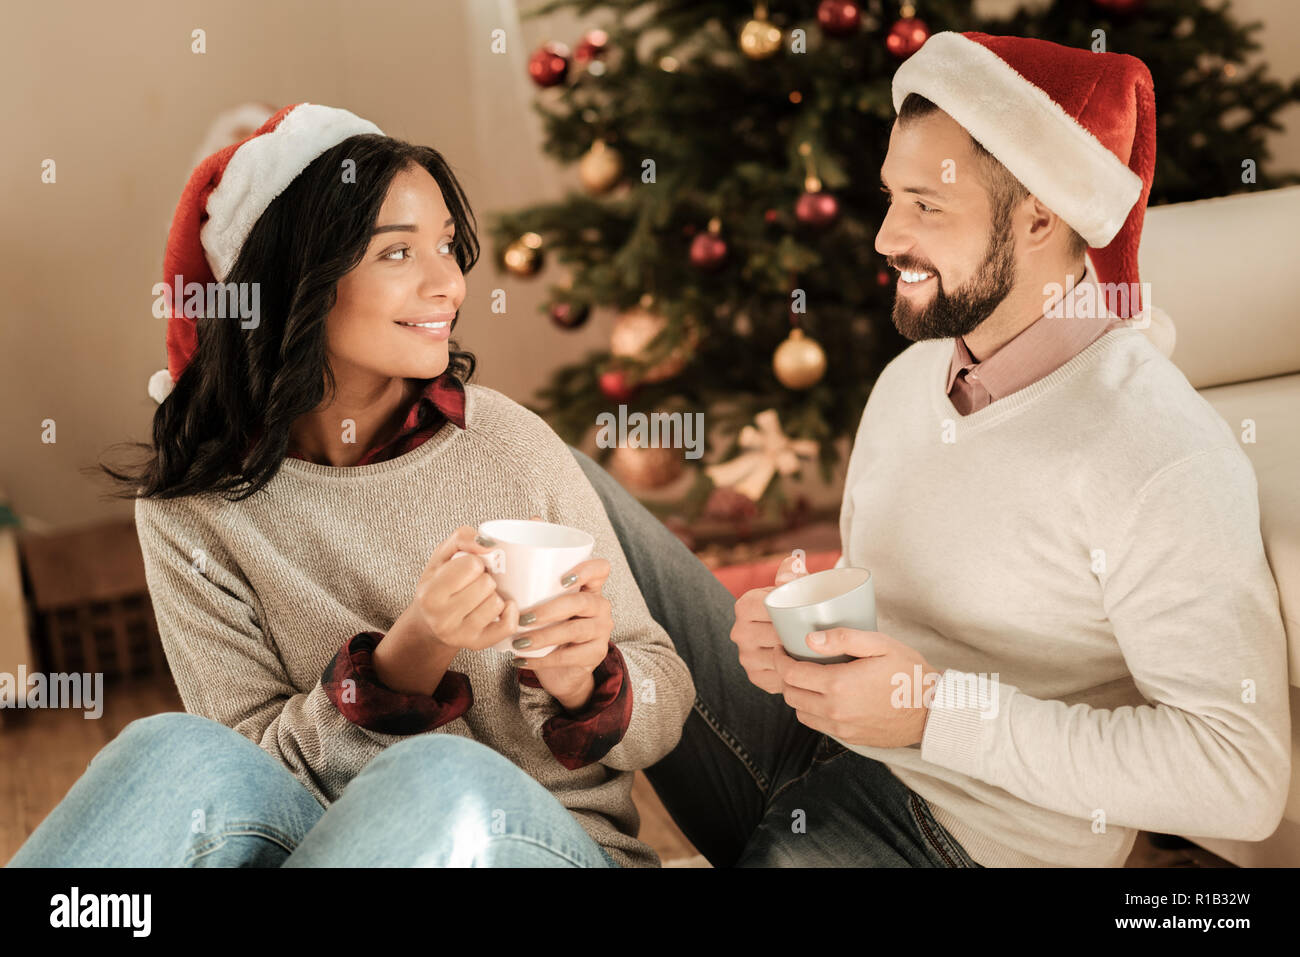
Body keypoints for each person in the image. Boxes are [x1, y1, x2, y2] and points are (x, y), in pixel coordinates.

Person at [580, 32, 1290, 867]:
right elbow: (907, 605)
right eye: (891, 198)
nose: (884, 237)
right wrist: (795, 644)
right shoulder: (913, 378)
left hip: (963, 834)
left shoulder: (1157, 453)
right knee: (572, 486)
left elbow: (1241, 775)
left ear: (1039, 215)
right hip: (826, 739)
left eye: (926, 205)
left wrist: (928, 713)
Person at [7, 102, 694, 869]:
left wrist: (588, 680)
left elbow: (665, 693)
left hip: (549, 846)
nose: (449, 284)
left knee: (436, 772)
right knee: (173, 746)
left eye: (445, 244)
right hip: (318, 846)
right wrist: (404, 661)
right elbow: (250, 773)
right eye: (397, 254)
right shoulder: (192, 503)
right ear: (297, 279)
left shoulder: (505, 443)